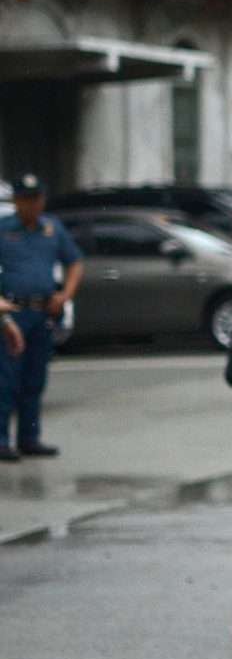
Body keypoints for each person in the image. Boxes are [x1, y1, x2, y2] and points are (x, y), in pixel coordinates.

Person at [0, 173, 83, 461]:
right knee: (6, 380)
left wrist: (65, 295)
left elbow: (74, 262)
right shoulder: (3, 228)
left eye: (36, 198)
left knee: (35, 380)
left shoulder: (52, 228)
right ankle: (1, 440)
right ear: (16, 200)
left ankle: (29, 438)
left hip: (42, 313)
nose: (32, 204)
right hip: (11, 314)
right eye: (26, 199)